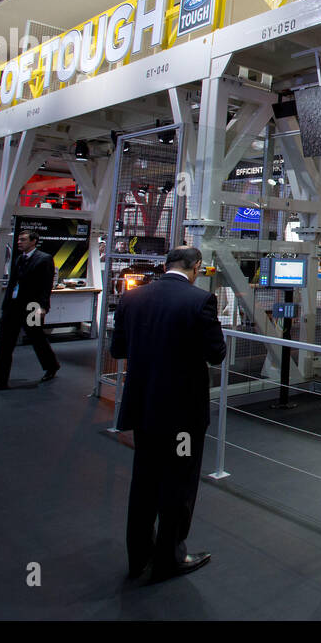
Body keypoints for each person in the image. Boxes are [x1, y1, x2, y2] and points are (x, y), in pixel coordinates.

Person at [110, 246, 225, 583]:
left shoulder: (132, 299)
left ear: (166, 265)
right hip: (183, 415)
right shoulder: (199, 301)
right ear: (196, 267)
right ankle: (169, 557)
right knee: (178, 482)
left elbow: (118, 349)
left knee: (144, 481)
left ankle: (138, 558)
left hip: (144, 408)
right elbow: (216, 353)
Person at [0, 230, 59, 390]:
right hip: (14, 306)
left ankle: (51, 365)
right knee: (6, 343)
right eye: (19, 239)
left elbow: (46, 285)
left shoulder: (44, 259)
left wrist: (43, 306)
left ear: (33, 241)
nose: (19, 242)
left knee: (37, 338)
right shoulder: (18, 259)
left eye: (23, 239)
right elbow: (13, 283)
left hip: (33, 307)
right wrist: (6, 304)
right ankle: (0, 380)